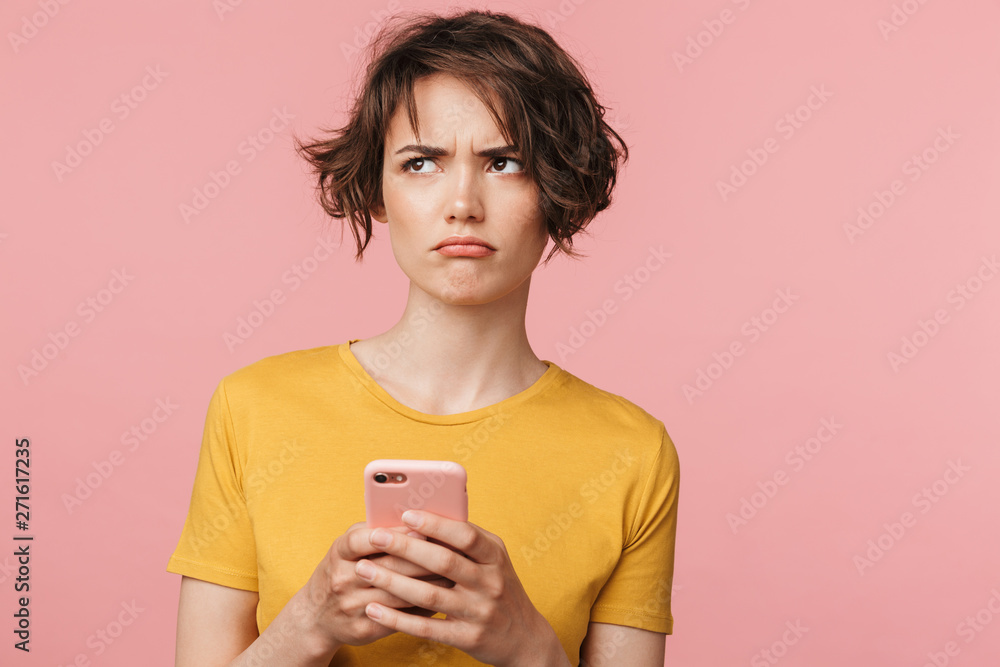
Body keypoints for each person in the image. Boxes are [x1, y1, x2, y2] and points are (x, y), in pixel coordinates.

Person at [166, 8, 680, 667]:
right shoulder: (253, 407)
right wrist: (309, 624)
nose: (462, 203)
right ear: (377, 191)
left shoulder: (633, 453)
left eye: (505, 162)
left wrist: (529, 648)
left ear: (557, 190)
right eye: (421, 163)